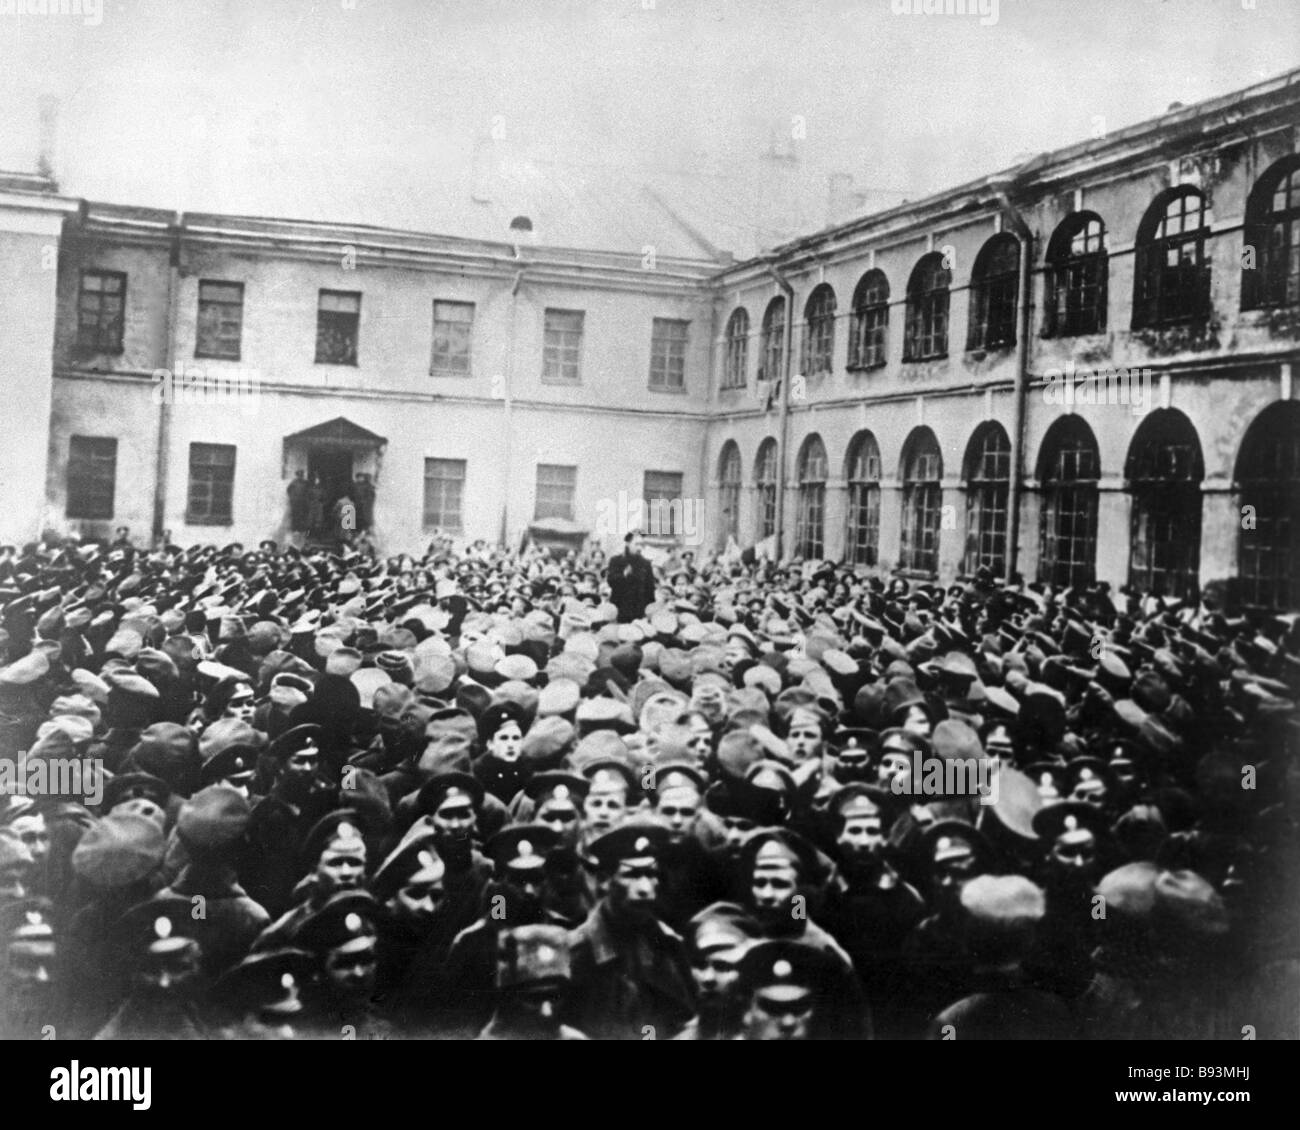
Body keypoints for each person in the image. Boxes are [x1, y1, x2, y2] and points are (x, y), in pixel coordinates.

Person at [606, 530, 656, 624]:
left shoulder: (646, 564)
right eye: (636, 544)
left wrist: (648, 612)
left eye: (641, 545)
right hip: (619, 611)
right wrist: (624, 575)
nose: (639, 548)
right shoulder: (616, 561)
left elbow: (650, 590)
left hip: (639, 613)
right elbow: (610, 581)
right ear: (628, 543)